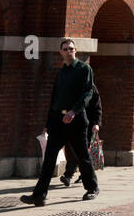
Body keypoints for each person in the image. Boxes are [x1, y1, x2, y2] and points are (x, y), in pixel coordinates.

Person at [21, 38, 98, 206]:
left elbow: (87, 94)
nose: (69, 51)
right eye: (65, 49)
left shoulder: (85, 69)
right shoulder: (61, 72)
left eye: (71, 48)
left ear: (75, 50)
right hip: (58, 120)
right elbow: (54, 99)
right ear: (60, 52)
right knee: (49, 158)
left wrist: (74, 111)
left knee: (82, 155)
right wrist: (47, 124)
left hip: (77, 120)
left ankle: (92, 188)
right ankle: (39, 195)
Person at [60, 81, 102, 187]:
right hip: (72, 122)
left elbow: (97, 108)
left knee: (83, 151)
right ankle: (69, 175)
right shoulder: (71, 86)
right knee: (71, 149)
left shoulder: (92, 88)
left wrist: (96, 124)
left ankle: (76, 175)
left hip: (88, 125)